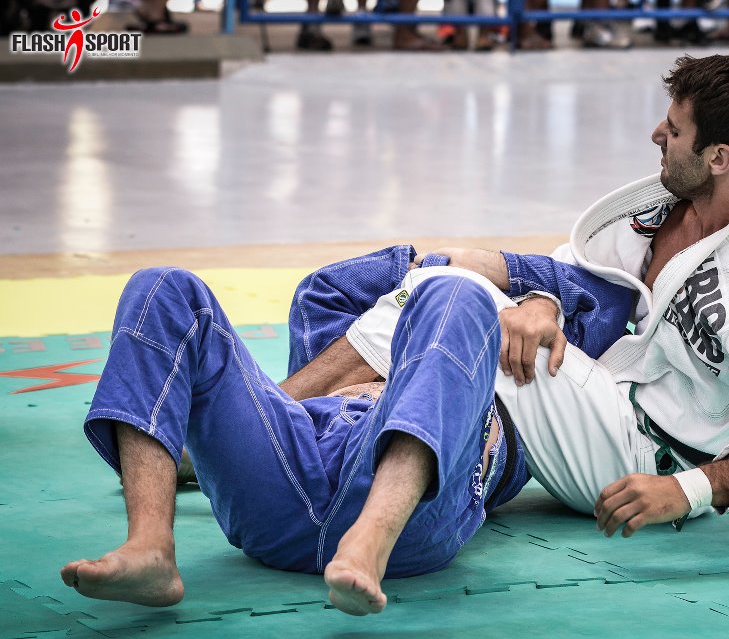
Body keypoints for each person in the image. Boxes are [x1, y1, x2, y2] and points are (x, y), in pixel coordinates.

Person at [294, 53, 729, 537]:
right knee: (377, 290)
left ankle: (276, 419)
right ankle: (324, 437)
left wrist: (688, 491)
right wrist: (543, 301)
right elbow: (576, 272)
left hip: (647, 466)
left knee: (444, 292)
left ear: (719, 158)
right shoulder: (666, 209)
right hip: (601, 399)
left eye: (676, 130)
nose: (657, 133)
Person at [58, 260, 631, 615]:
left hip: (410, 511)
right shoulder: (347, 314)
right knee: (162, 286)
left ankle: (370, 540)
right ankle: (150, 546)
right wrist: (461, 265)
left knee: (460, 295)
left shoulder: (562, 393)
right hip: (295, 459)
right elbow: (345, 283)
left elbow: (603, 298)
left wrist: (542, 301)